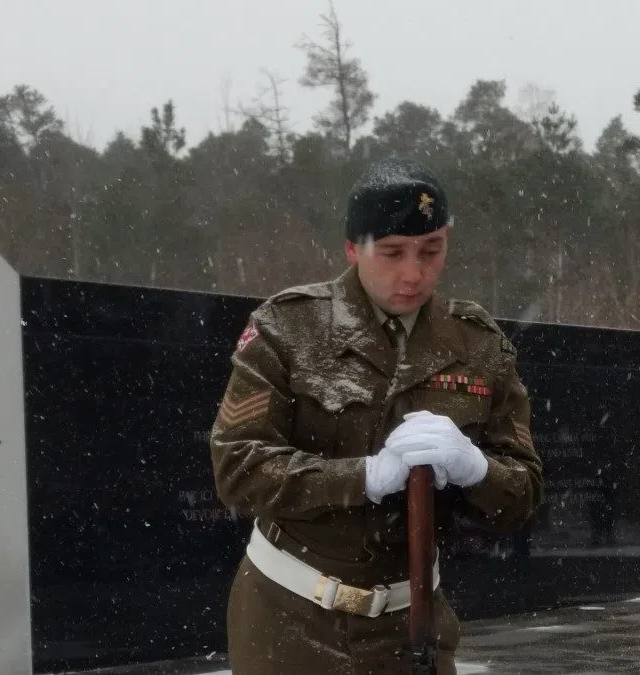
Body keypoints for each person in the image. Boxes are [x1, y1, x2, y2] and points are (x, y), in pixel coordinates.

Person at [209, 157, 544, 674]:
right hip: (289, 620)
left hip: (412, 627)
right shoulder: (288, 329)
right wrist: (362, 477)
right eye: (391, 252)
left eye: (431, 250)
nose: (413, 273)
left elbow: (523, 494)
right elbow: (238, 469)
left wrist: (476, 469)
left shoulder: (478, 345)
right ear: (352, 249)